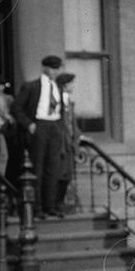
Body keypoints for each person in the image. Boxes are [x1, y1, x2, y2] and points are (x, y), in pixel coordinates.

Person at [14, 55, 67, 218]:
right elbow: (16, 108)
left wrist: (60, 127)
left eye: (57, 68)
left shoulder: (58, 86)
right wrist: (29, 124)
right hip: (39, 126)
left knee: (53, 168)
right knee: (37, 167)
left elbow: (61, 109)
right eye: (52, 68)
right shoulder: (31, 86)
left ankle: (49, 206)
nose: (55, 71)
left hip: (55, 126)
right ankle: (36, 208)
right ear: (44, 68)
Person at [54, 72, 80, 209]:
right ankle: (57, 202)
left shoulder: (68, 101)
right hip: (61, 144)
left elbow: (72, 123)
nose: (73, 86)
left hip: (69, 143)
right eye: (71, 83)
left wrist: (78, 136)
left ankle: (62, 202)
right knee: (61, 174)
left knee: (67, 175)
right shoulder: (58, 100)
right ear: (64, 85)